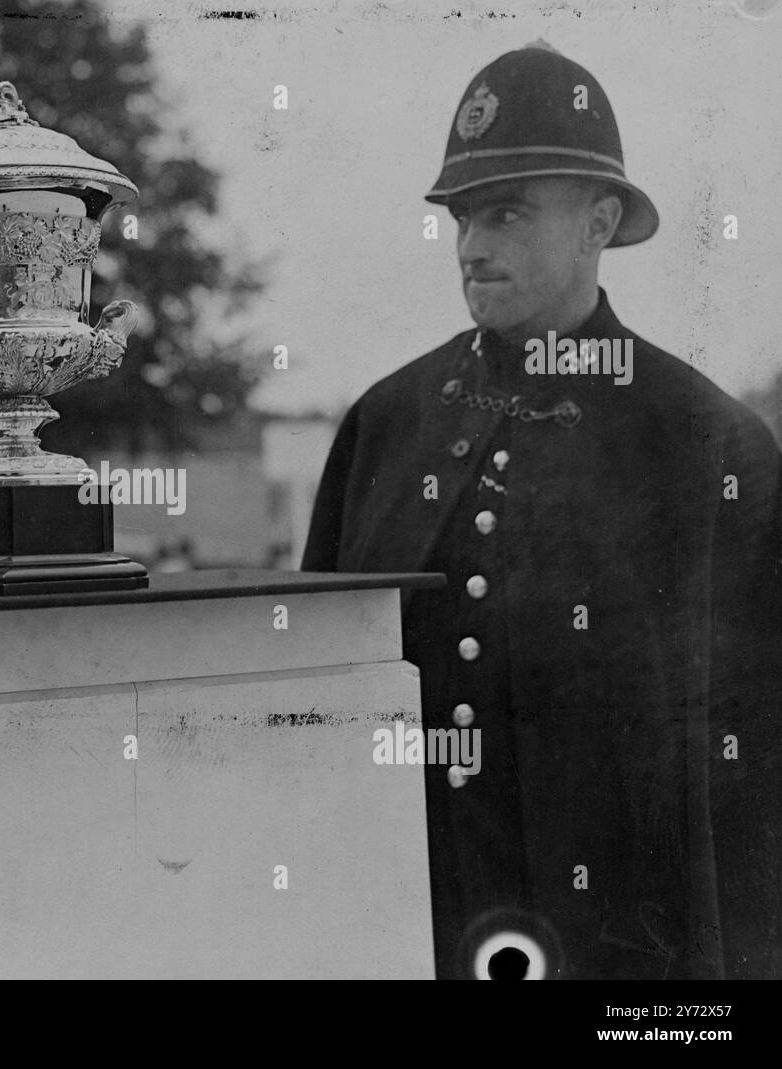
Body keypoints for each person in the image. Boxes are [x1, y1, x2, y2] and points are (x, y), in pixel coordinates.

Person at [302, 42, 782, 980]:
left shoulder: (708, 445)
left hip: (630, 958)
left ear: (598, 222)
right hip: (418, 927)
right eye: (463, 218)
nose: (474, 247)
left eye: (508, 213)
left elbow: (760, 768)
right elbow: (326, 695)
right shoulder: (385, 426)